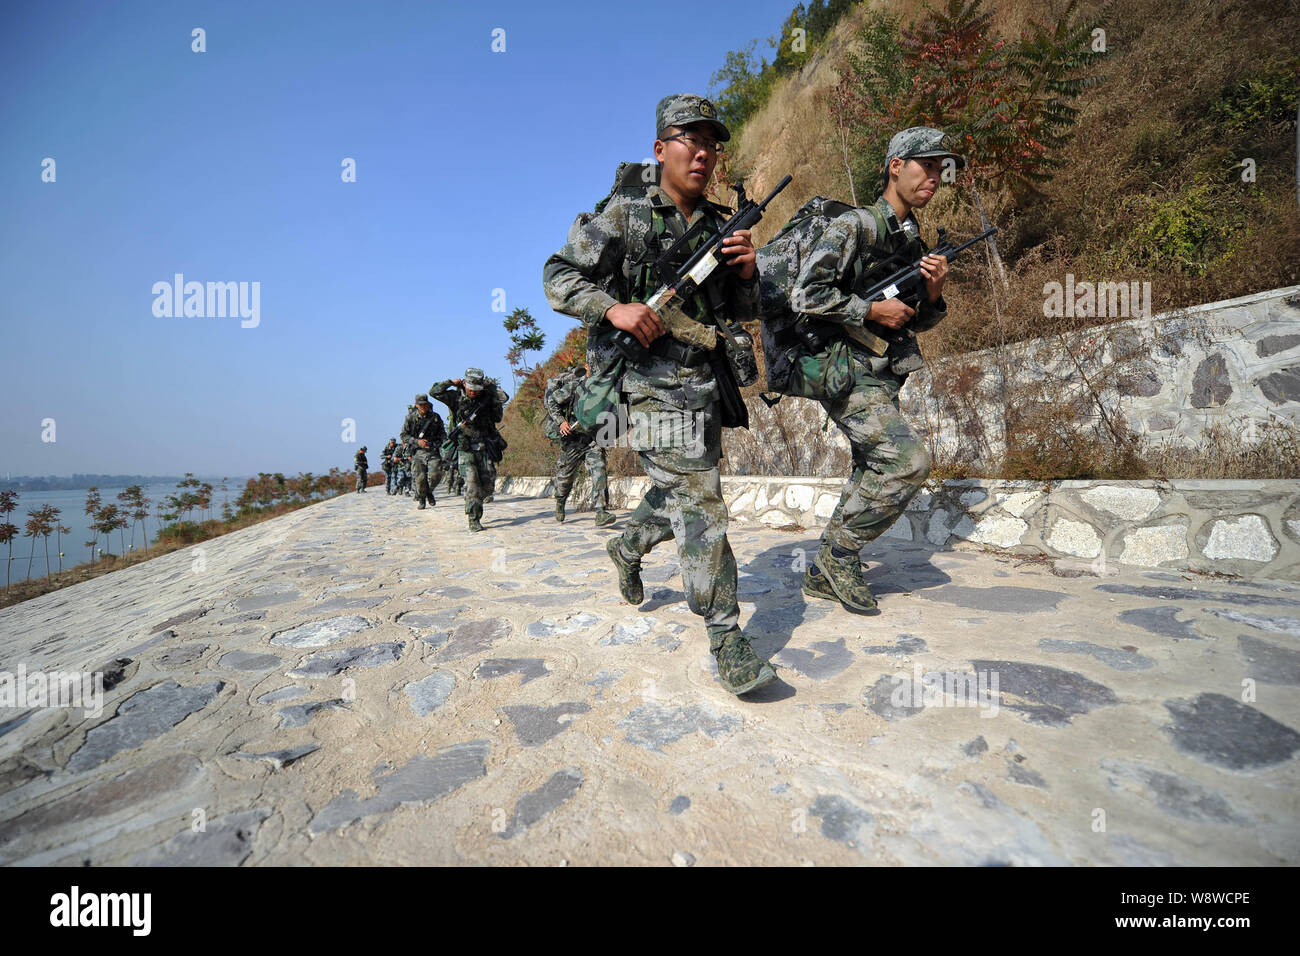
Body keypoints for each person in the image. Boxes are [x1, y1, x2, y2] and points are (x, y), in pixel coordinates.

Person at [542, 93, 776, 696]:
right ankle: (727, 634)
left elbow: (747, 308)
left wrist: (749, 274)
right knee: (701, 500)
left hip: (703, 383)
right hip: (642, 387)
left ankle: (628, 546)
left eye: (712, 143)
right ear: (660, 149)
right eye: (688, 140)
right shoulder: (625, 214)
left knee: (678, 494)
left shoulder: (724, 224)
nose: (702, 153)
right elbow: (559, 276)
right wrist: (614, 307)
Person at [786, 126, 957, 614]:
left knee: (869, 469)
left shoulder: (910, 237)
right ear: (896, 166)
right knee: (907, 462)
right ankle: (841, 555)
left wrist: (933, 294)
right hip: (842, 366)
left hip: (881, 368)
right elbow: (805, 294)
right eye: (927, 165)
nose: (936, 177)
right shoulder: (855, 226)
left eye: (942, 169)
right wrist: (868, 311)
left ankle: (821, 573)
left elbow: (915, 318)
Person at [430, 369, 508, 532]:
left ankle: (476, 502)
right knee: (472, 483)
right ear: (464, 384)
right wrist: (451, 382)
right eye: (470, 388)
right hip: (464, 447)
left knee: (488, 486)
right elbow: (434, 392)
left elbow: (504, 398)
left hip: (485, 446)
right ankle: (474, 518)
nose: (472, 392)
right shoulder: (455, 397)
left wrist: (491, 387)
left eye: (476, 389)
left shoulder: (487, 396)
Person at [545, 361, 615, 526]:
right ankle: (560, 502)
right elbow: (552, 402)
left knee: (599, 471)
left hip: (592, 440)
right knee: (565, 479)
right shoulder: (574, 386)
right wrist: (561, 422)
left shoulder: (603, 389)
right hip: (572, 441)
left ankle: (600, 512)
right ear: (587, 367)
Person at [400, 394, 446, 510]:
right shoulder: (410, 418)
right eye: (420, 405)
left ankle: (429, 492)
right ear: (416, 405)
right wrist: (417, 441)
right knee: (419, 479)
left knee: (436, 475)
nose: (423, 407)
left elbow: (443, 434)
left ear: (428, 404)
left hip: (432, 451)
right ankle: (422, 499)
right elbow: (403, 435)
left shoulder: (435, 417)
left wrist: (438, 443)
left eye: (425, 404)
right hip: (417, 451)